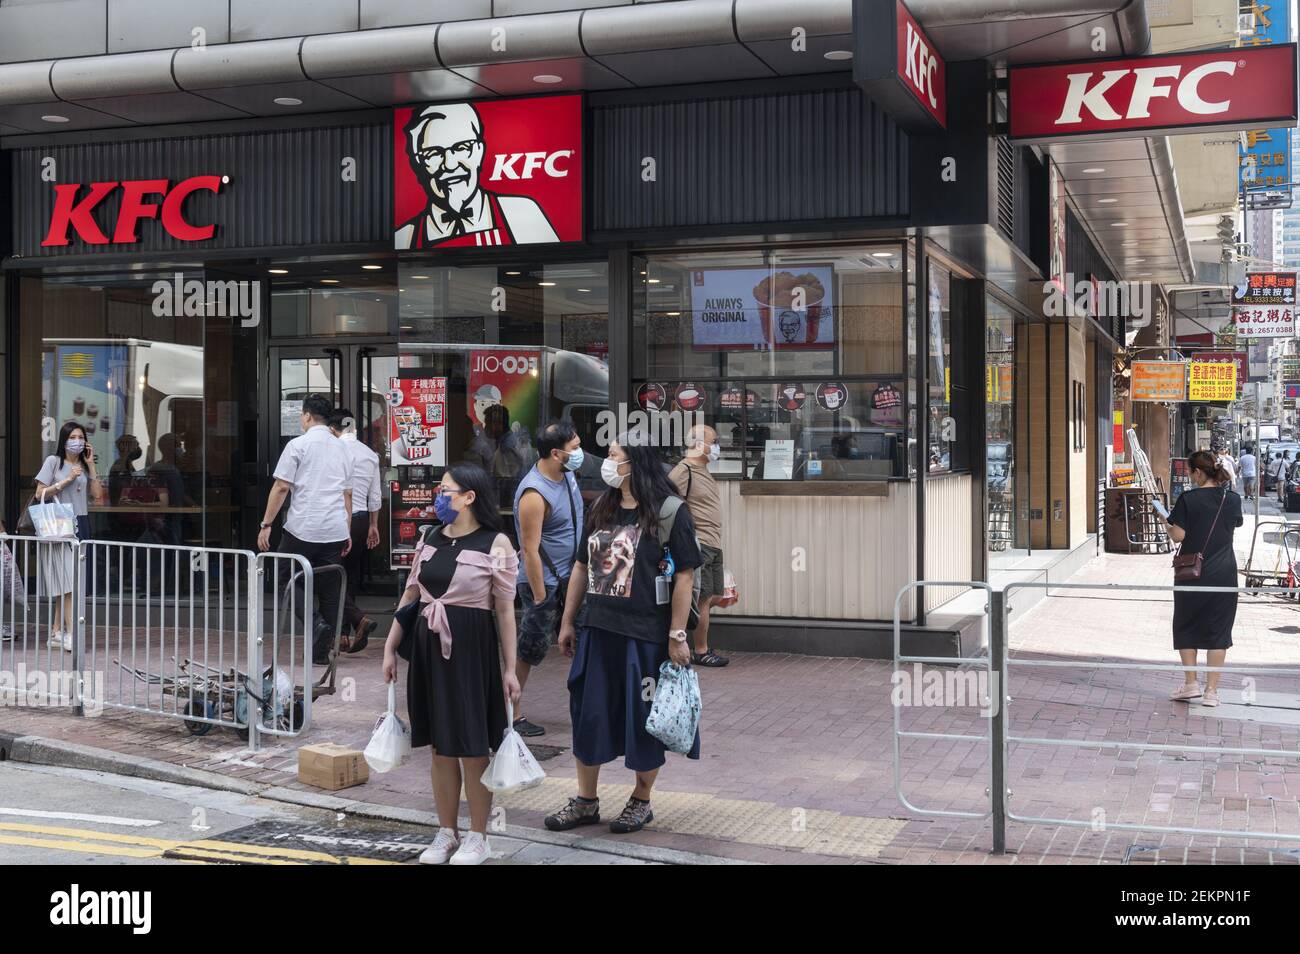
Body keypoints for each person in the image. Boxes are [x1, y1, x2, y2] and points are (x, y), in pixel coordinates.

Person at [544, 432, 702, 836]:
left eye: (614, 456)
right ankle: (585, 800)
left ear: (636, 462)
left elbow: (684, 576)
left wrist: (677, 635)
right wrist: (567, 620)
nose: (607, 462)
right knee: (589, 713)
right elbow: (581, 567)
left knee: (643, 720)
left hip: (645, 637)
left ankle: (641, 800)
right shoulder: (601, 506)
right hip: (598, 631)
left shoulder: (669, 512)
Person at [381, 463, 520, 866]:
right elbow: (410, 596)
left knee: (472, 747)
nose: (438, 497)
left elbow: (506, 612)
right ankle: (446, 832)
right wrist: (390, 647)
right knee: (440, 747)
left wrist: (510, 669)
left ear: (469, 497)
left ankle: (479, 836)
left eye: (445, 491)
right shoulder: (430, 537)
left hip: (471, 650)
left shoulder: (496, 542)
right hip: (427, 650)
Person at [258, 394, 353, 666]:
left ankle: (315, 624)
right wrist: (346, 529)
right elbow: (347, 493)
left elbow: (281, 487)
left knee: (282, 578)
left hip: (303, 528)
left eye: (302, 415)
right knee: (330, 590)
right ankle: (323, 652)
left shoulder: (297, 446)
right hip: (334, 528)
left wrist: (266, 524)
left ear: (308, 416)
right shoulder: (343, 448)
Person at [395, 102, 561, 248]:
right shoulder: (405, 237)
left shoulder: (521, 214)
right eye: (433, 153)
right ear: (418, 163)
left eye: (461, 148)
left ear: (479, 151)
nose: (450, 164)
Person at [511, 421, 585, 737]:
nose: (580, 452)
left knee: (584, 642)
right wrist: (541, 599)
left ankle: (590, 708)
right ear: (556, 453)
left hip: (572, 579)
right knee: (530, 647)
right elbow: (529, 551)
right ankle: (511, 713)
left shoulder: (567, 475)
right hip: (544, 582)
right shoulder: (533, 493)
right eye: (575, 448)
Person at [1161, 450, 1242, 708]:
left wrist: (1165, 521)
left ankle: (1191, 684)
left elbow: (1178, 536)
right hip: (1224, 572)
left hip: (1191, 572)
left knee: (1187, 625)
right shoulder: (1232, 499)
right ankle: (1212, 692)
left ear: (1197, 472)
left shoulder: (1188, 499)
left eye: (1190, 472)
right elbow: (1233, 525)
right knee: (1219, 629)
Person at [34, 422, 102, 651]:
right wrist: (65, 481)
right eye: (73, 436)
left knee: (71, 582)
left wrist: (91, 467)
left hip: (80, 521)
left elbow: (97, 495)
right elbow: (39, 493)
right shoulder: (53, 462)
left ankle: (55, 632)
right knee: (69, 583)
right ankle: (73, 634)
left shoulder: (83, 464)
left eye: (81, 437)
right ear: (64, 440)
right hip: (59, 523)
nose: (78, 441)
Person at [668, 424, 730, 667]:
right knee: (703, 598)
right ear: (698, 444)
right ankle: (701, 650)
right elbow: (669, 505)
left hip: (713, 543)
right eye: (713, 442)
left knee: (714, 595)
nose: (716, 447)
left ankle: (687, 632)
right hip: (699, 543)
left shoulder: (702, 469)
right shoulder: (683, 471)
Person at [330, 408, 382, 654]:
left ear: (333, 428)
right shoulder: (370, 454)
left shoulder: (333, 450)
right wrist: (374, 525)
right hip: (362, 520)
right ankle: (342, 634)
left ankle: (352, 623)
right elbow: (375, 496)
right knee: (348, 576)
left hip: (337, 519)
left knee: (330, 575)